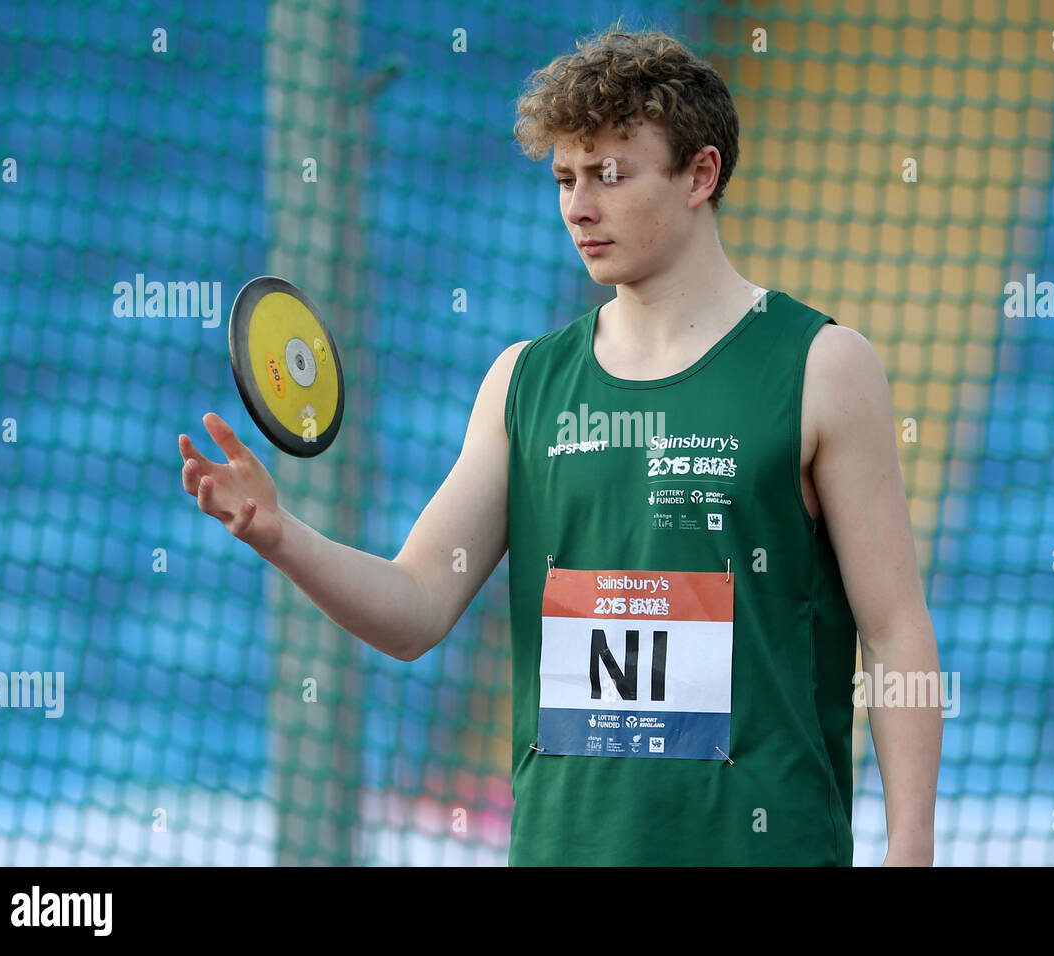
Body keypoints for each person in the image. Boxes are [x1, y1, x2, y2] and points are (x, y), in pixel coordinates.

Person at [179, 24, 940, 866]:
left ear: (700, 174)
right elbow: (416, 608)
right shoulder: (524, 382)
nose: (580, 206)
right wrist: (280, 535)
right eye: (565, 179)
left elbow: (897, 628)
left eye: (610, 175)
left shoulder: (822, 365)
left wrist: (911, 842)